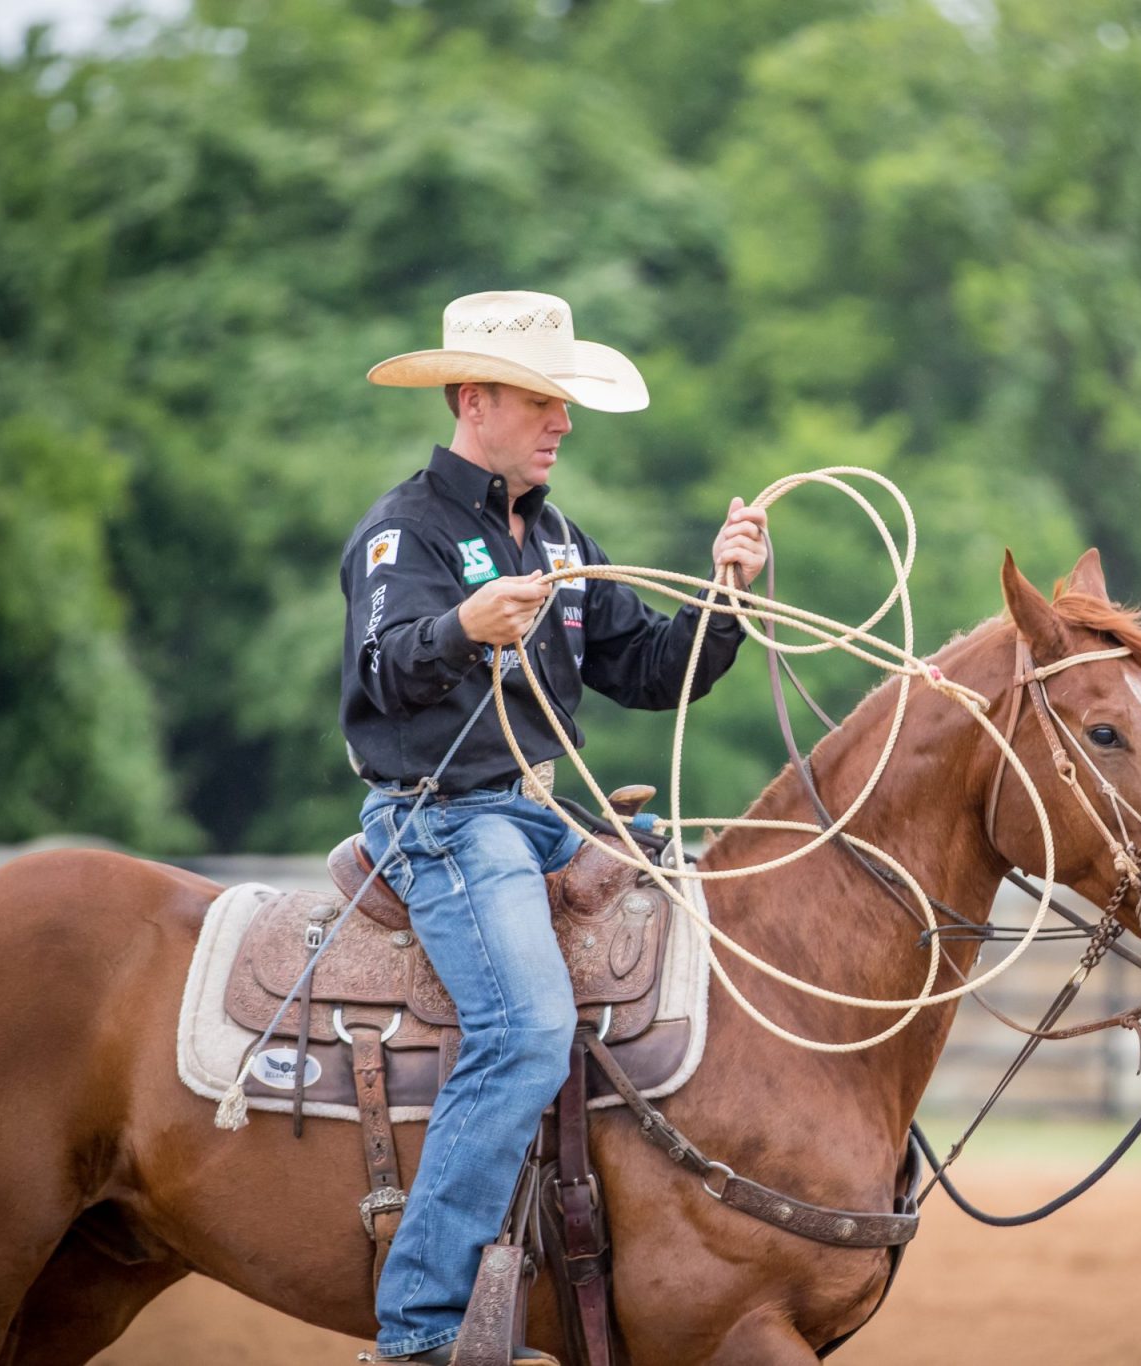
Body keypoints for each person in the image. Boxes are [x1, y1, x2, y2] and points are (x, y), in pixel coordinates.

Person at [339, 290, 767, 1364]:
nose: (561, 422)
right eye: (540, 400)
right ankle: (421, 1332)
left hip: (547, 817)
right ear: (472, 397)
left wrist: (726, 595)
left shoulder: (561, 538)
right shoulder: (405, 531)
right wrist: (459, 627)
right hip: (444, 821)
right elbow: (380, 668)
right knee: (526, 1030)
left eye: (564, 402)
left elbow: (650, 669)